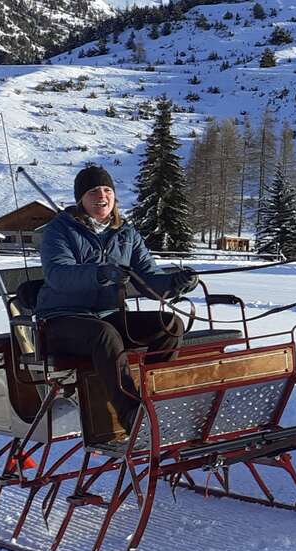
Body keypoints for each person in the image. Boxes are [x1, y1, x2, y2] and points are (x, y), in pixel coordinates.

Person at [35, 164, 198, 442]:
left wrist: (174, 284)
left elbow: (149, 278)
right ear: (80, 199)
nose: (102, 195)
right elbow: (58, 275)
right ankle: (132, 416)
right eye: (94, 191)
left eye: (108, 190)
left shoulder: (126, 234)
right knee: (104, 335)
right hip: (60, 319)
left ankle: (157, 400)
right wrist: (100, 273)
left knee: (169, 325)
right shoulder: (58, 231)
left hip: (105, 315)